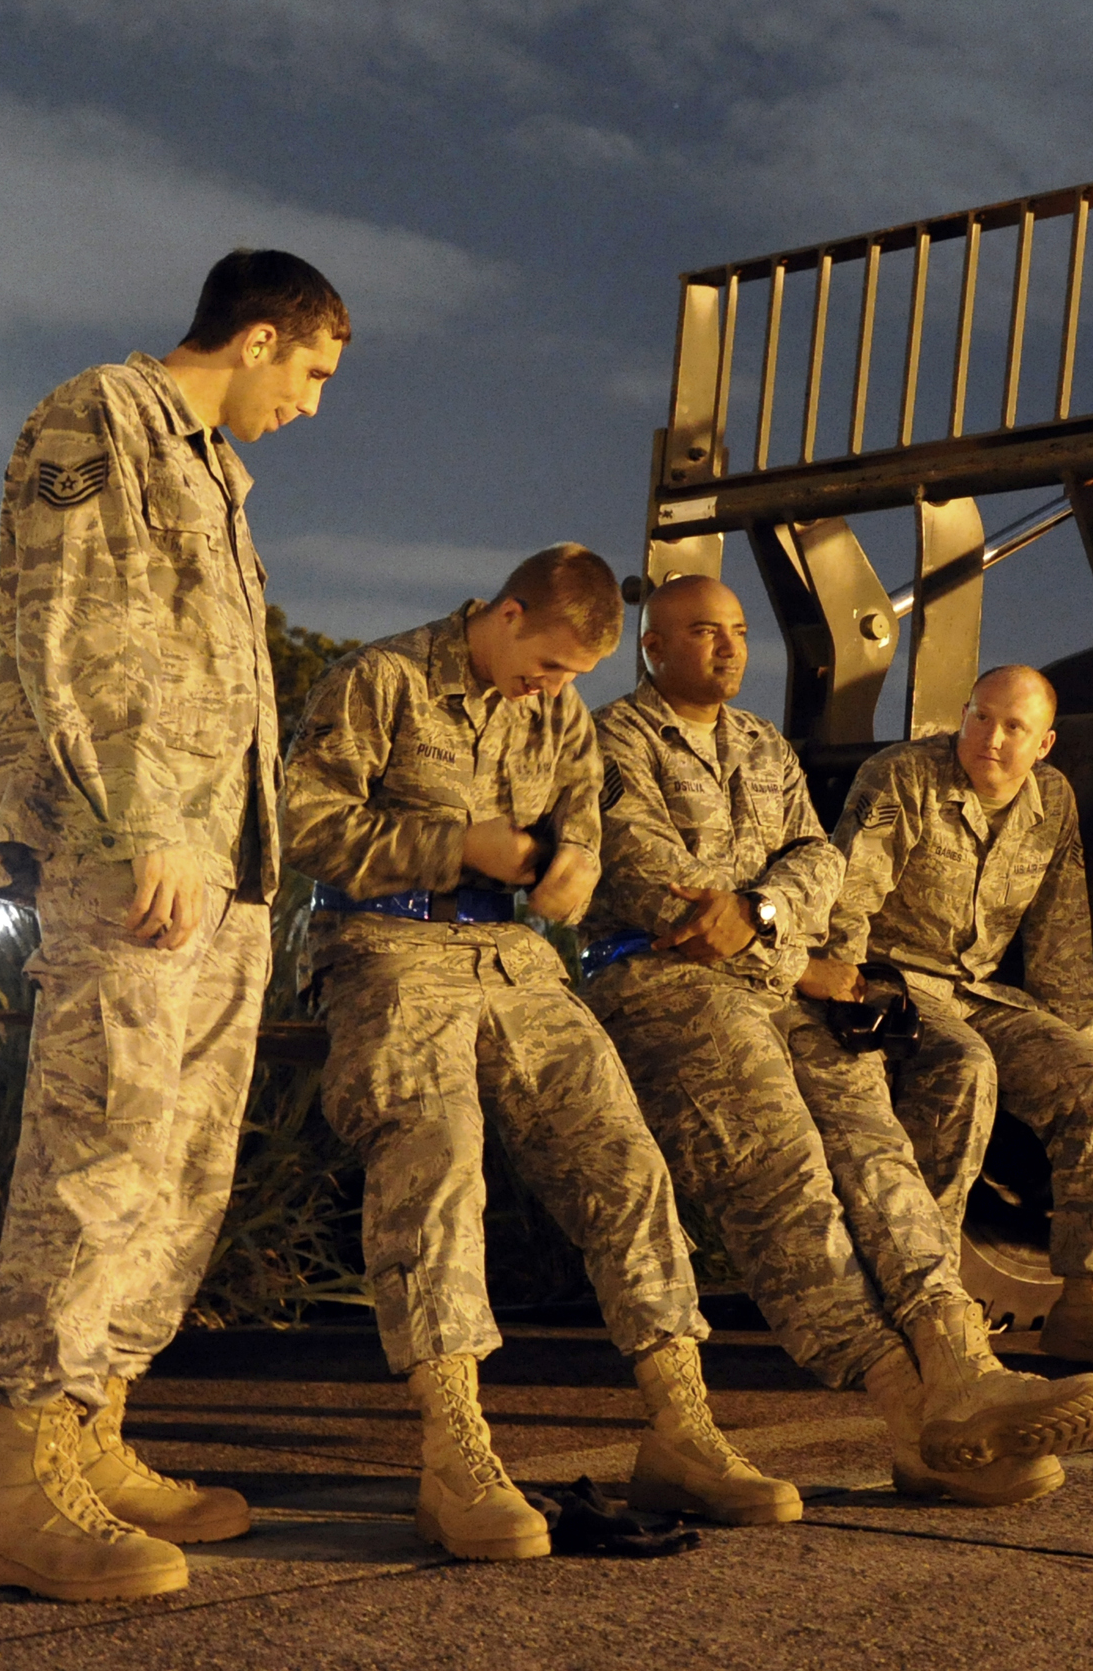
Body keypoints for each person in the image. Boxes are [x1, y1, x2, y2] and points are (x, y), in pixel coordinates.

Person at [0, 249, 348, 1602]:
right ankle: (19, 1484)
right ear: (255, 338)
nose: (308, 405)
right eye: (309, 372)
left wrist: (234, 851)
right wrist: (139, 824)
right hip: (132, 854)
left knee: (177, 1166)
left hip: (222, 867)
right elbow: (77, 635)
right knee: (100, 1145)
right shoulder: (102, 419)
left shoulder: (218, 473)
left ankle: (96, 1435)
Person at [282, 546, 800, 1556]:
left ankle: (682, 1424)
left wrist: (571, 869)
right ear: (507, 613)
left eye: (573, 677)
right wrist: (456, 845)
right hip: (382, 941)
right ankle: (455, 1452)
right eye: (550, 665)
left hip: (511, 952)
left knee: (621, 1152)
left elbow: (583, 824)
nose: (555, 690)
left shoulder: (558, 715)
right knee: (435, 1154)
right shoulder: (380, 680)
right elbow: (300, 821)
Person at [585, 577, 1093, 1506]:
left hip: (775, 980)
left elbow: (814, 859)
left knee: (872, 1140)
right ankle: (912, 1413)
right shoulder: (615, 740)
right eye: (704, 632)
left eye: (740, 632)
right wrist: (775, 933)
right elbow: (660, 894)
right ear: (653, 646)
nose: (729, 648)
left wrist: (763, 908)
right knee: (784, 1162)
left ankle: (958, 1358)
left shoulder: (761, 746)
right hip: (669, 990)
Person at [808, 666, 1093, 1385]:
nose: (990, 737)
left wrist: (1073, 1039)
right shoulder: (903, 777)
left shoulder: (1052, 802)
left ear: (1043, 743)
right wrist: (843, 1005)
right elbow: (845, 902)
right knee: (965, 1067)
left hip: (978, 991)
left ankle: (1088, 1304)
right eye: (980, 718)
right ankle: (931, 1308)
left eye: (1013, 727)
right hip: (893, 981)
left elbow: (1060, 939)